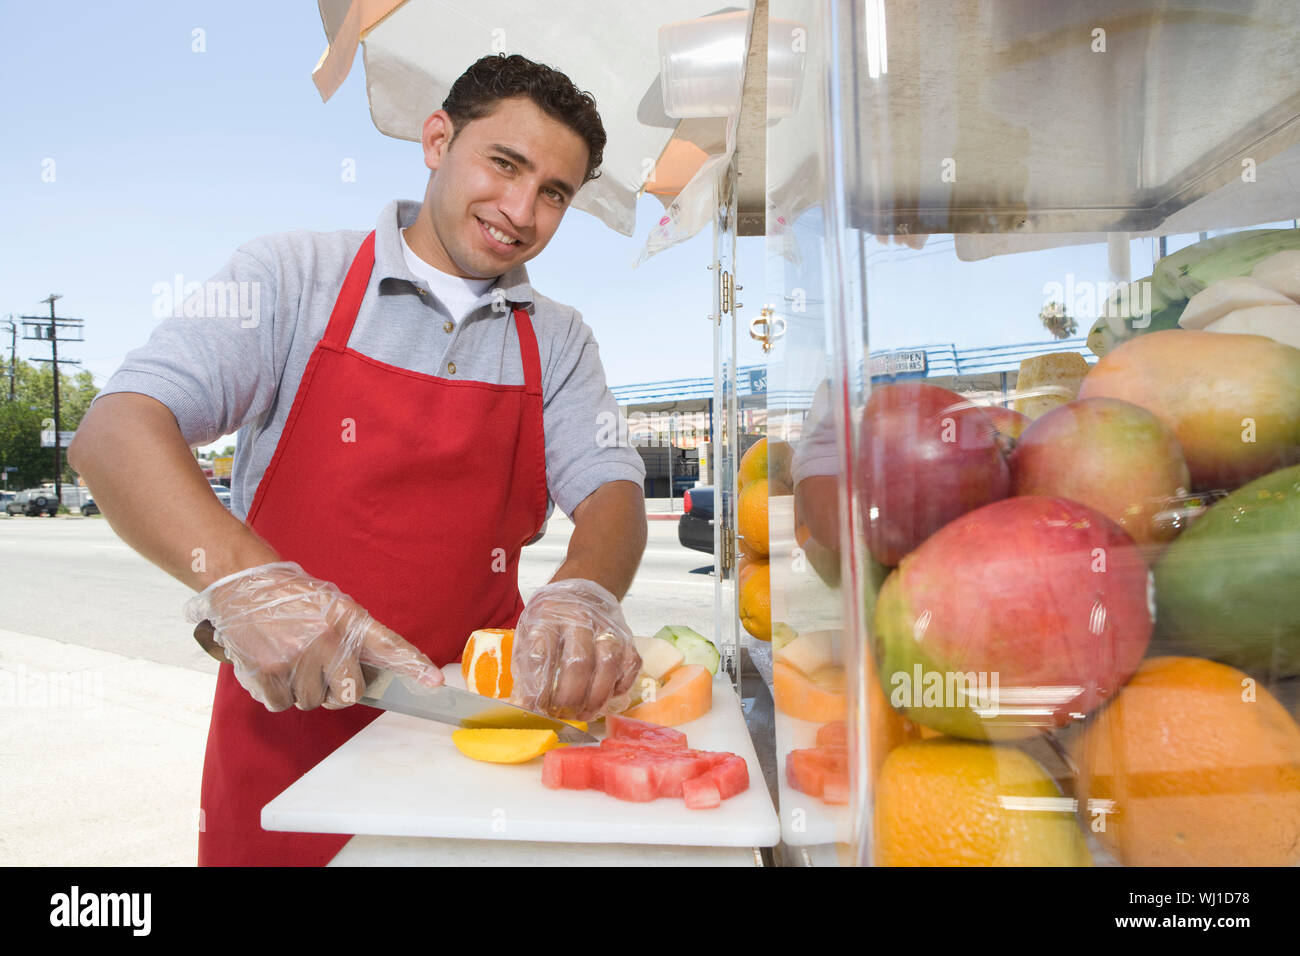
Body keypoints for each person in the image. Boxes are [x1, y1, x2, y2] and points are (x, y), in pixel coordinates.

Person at [68, 53, 648, 866]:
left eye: (554, 192)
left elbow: (612, 488)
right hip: (286, 735)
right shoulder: (293, 277)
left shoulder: (558, 338)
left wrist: (584, 593)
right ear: (437, 139)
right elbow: (118, 428)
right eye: (504, 164)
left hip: (477, 738)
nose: (521, 210)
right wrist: (246, 583)